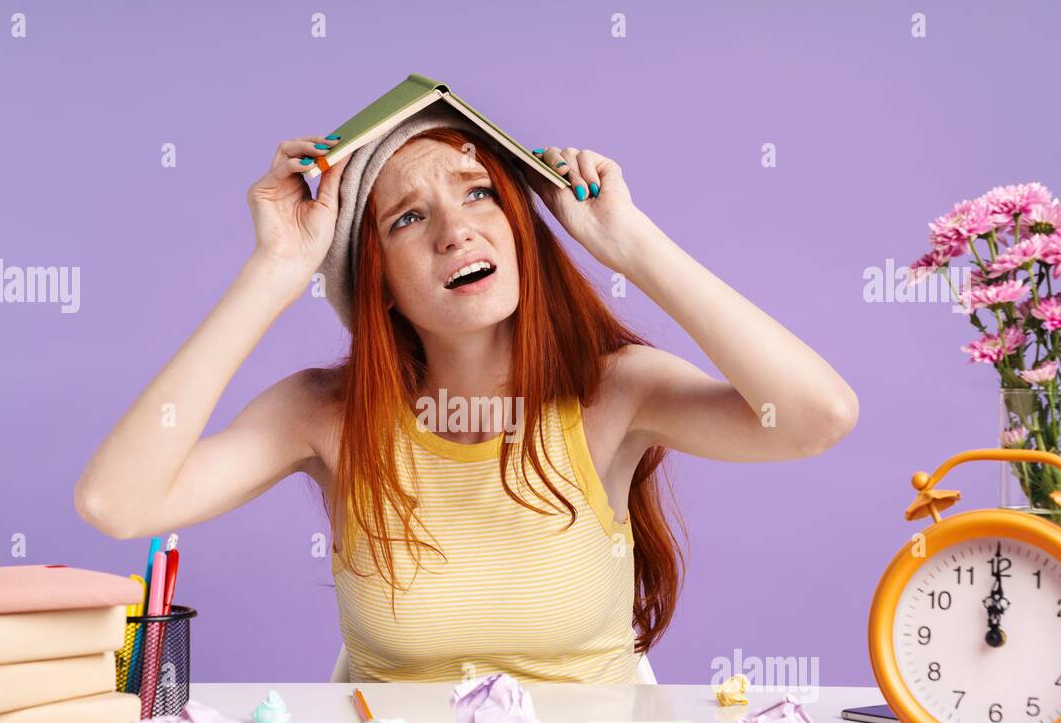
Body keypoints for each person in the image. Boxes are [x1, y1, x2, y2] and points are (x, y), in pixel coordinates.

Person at [74, 106, 858, 683]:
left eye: (479, 194)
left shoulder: (615, 391)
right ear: (376, 282)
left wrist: (631, 244)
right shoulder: (322, 413)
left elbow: (817, 418)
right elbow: (118, 501)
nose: (456, 232)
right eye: (409, 218)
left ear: (522, 224)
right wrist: (277, 268)